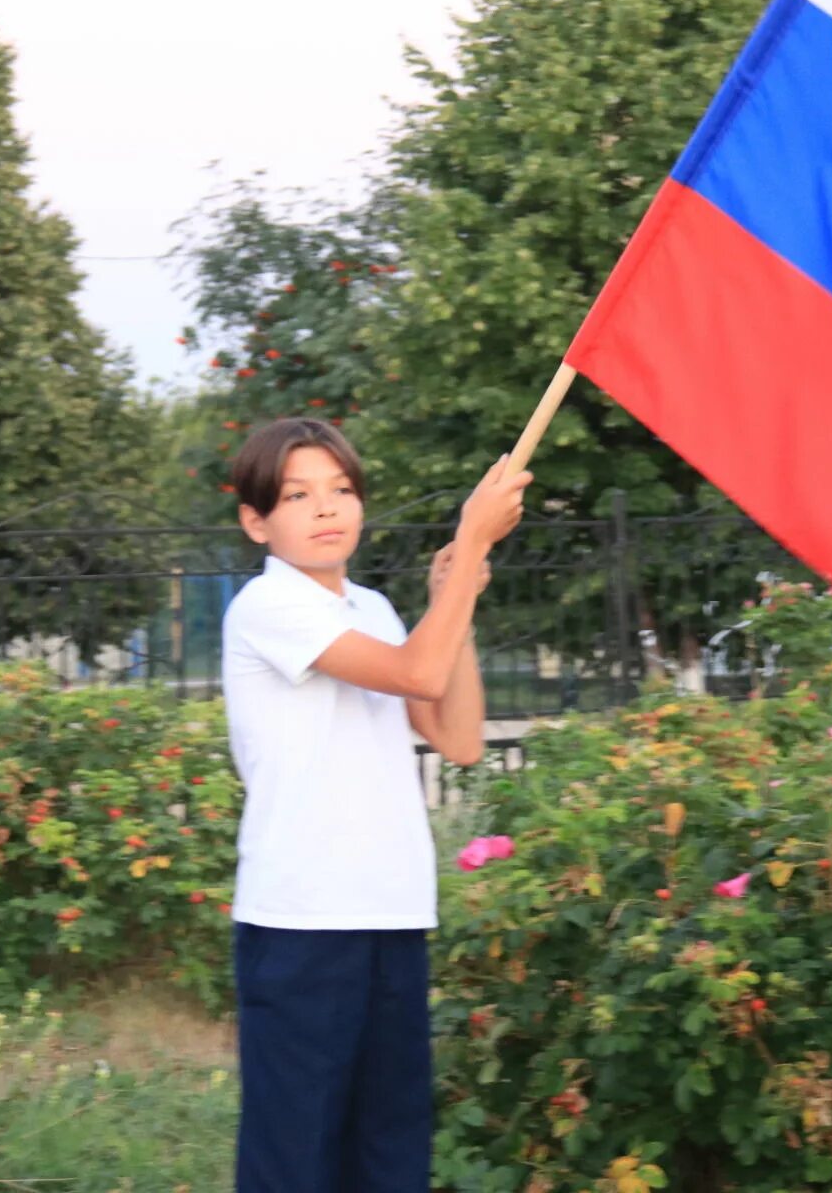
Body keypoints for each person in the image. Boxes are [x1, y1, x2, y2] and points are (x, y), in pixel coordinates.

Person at [220, 417, 531, 1193]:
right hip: (300, 923)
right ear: (257, 521)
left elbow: (456, 736)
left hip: (390, 911)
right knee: (295, 1156)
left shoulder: (374, 611)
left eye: (342, 490)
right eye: (298, 495)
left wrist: (445, 596)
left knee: (389, 1153)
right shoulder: (268, 606)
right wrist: (473, 544)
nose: (327, 509)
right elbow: (417, 675)